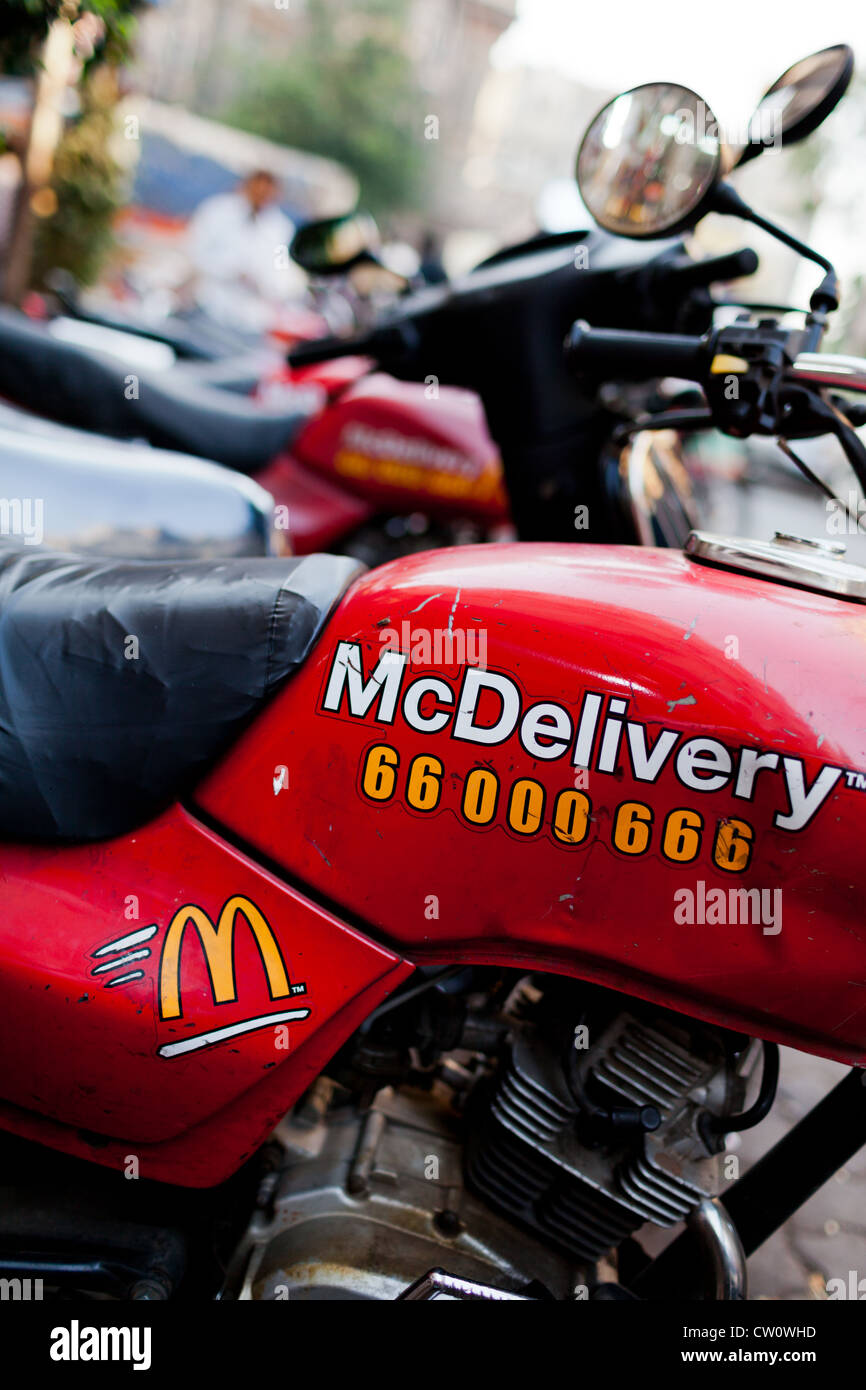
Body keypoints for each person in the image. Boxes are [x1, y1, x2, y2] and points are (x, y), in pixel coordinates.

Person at [186, 170, 304, 331]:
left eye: (267, 191)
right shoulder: (217, 211)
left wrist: (261, 282)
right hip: (209, 302)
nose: (261, 195)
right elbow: (194, 250)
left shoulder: (281, 231)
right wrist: (230, 270)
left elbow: (282, 273)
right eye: (257, 188)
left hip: (251, 317)